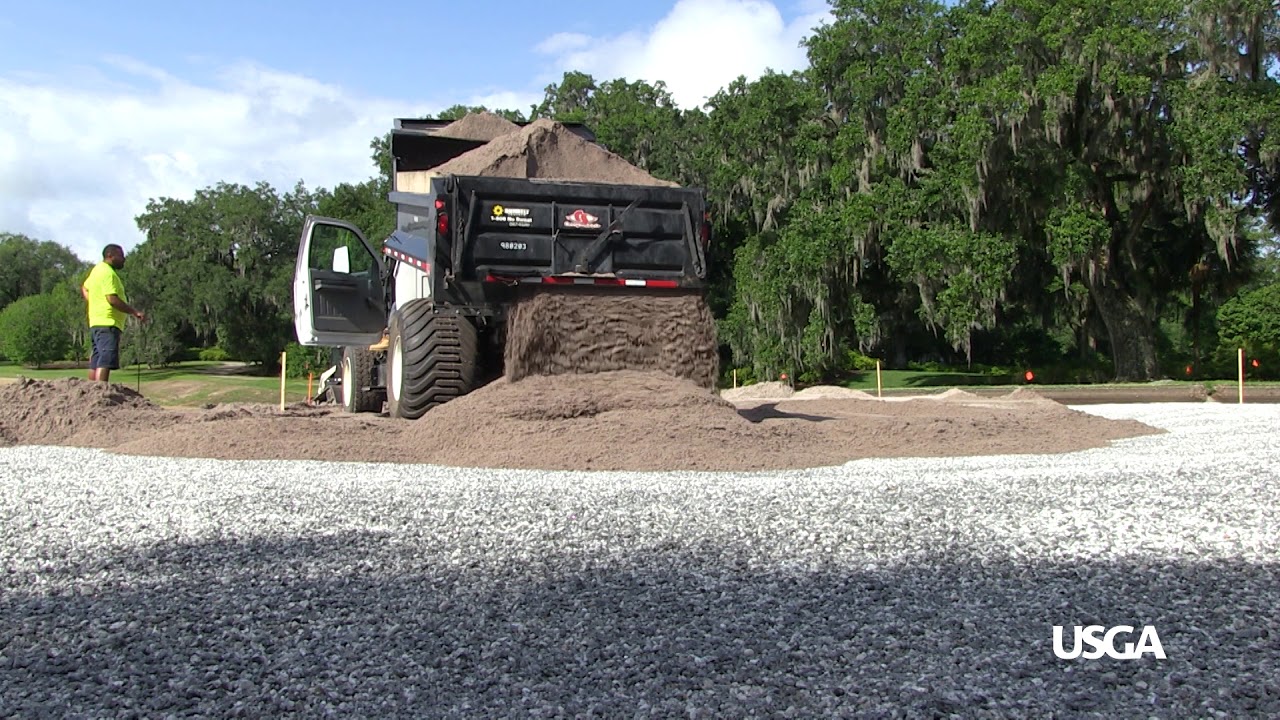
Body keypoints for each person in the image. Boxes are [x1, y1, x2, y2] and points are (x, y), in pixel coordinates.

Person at [80, 244, 145, 382]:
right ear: (110, 255)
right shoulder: (108, 273)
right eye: (120, 256)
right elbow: (112, 299)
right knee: (106, 358)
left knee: (97, 358)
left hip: (96, 321)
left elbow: (85, 288)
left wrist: (94, 301)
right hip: (108, 322)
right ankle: (101, 389)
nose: (123, 259)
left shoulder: (97, 269)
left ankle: (91, 390)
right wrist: (134, 312)